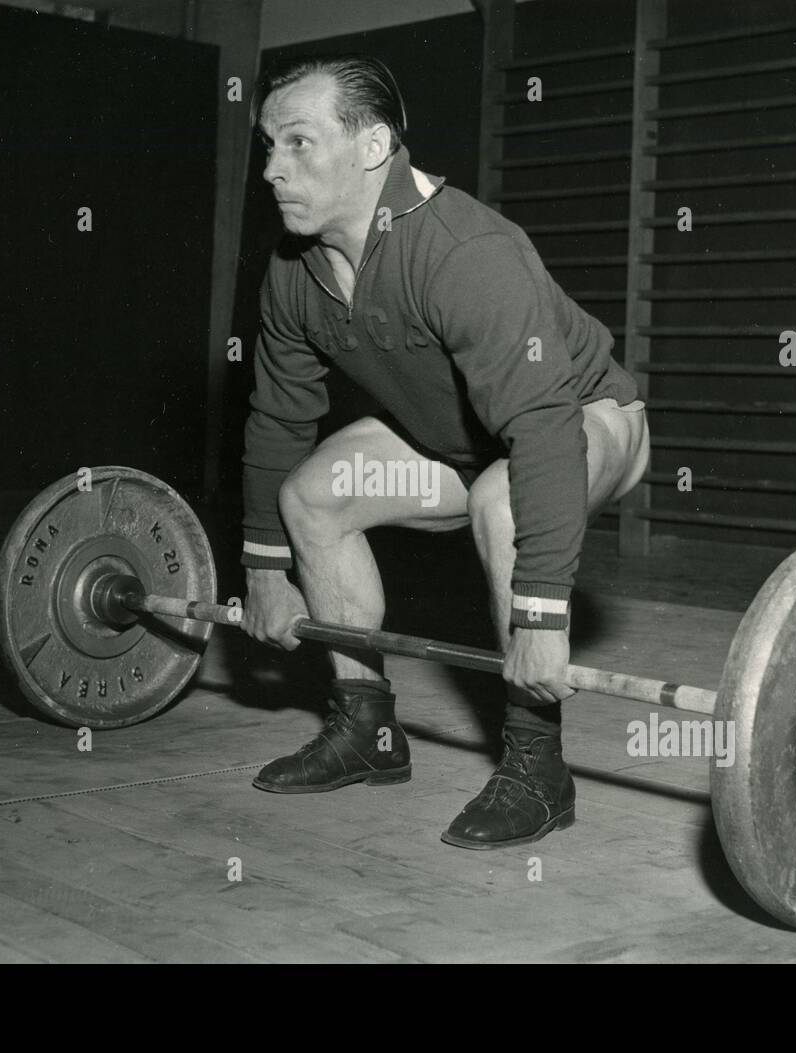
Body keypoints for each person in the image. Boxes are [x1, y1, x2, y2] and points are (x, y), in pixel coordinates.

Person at [239, 55, 649, 849]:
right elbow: (278, 416)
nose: (270, 170)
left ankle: (538, 766)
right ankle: (366, 729)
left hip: (586, 421)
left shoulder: (467, 252)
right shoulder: (294, 272)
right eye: (267, 145)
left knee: (503, 496)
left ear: (373, 146)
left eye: (297, 144)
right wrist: (262, 568)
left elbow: (542, 429)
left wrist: (539, 615)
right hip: (455, 440)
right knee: (310, 499)